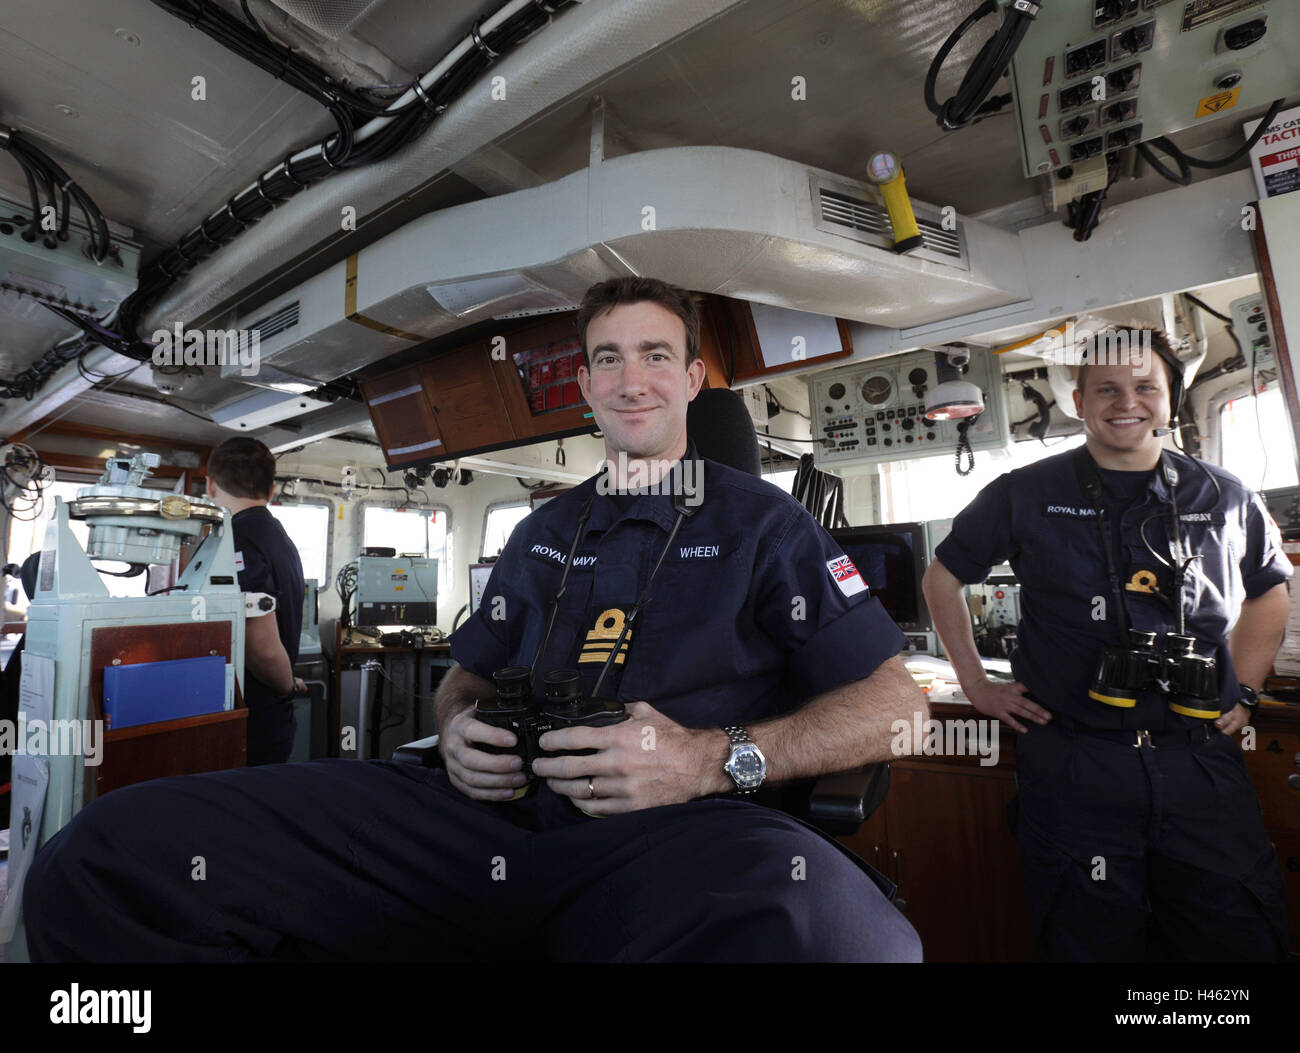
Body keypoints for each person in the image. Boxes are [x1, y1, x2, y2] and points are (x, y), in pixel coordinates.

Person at [22, 276, 926, 963]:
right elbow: (467, 677)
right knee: (107, 852)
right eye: (607, 356)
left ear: (693, 376)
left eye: (655, 354)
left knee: (832, 930)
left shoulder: (767, 526)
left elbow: (900, 706)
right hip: (480, 819)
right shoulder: (542, 531)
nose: (630, 377)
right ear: (585, 381)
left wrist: (708, 758)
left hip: (677, 830)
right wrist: (455, 727)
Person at [921, 328, 1291, 962]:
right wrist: (977, 685)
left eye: (1146, 386)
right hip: (1075, 762)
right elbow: (942, 575)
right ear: (1079, 400)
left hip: (1198, 762)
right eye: (1108, 389)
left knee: (1233, 934)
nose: (1128, 402)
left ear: (1169, 397)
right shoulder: (1025, 492)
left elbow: (1269, 590)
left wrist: (1248, 689)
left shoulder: (1225, 495)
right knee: (1084, 940)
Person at [206, 437, 306, 766]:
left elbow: (260, 645)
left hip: (253, 718)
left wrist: (285, 686)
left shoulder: (237, 539)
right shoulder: (279, 537)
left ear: (210, 486)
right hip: (270, 716)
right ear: (271, 489)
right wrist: (286, 680)